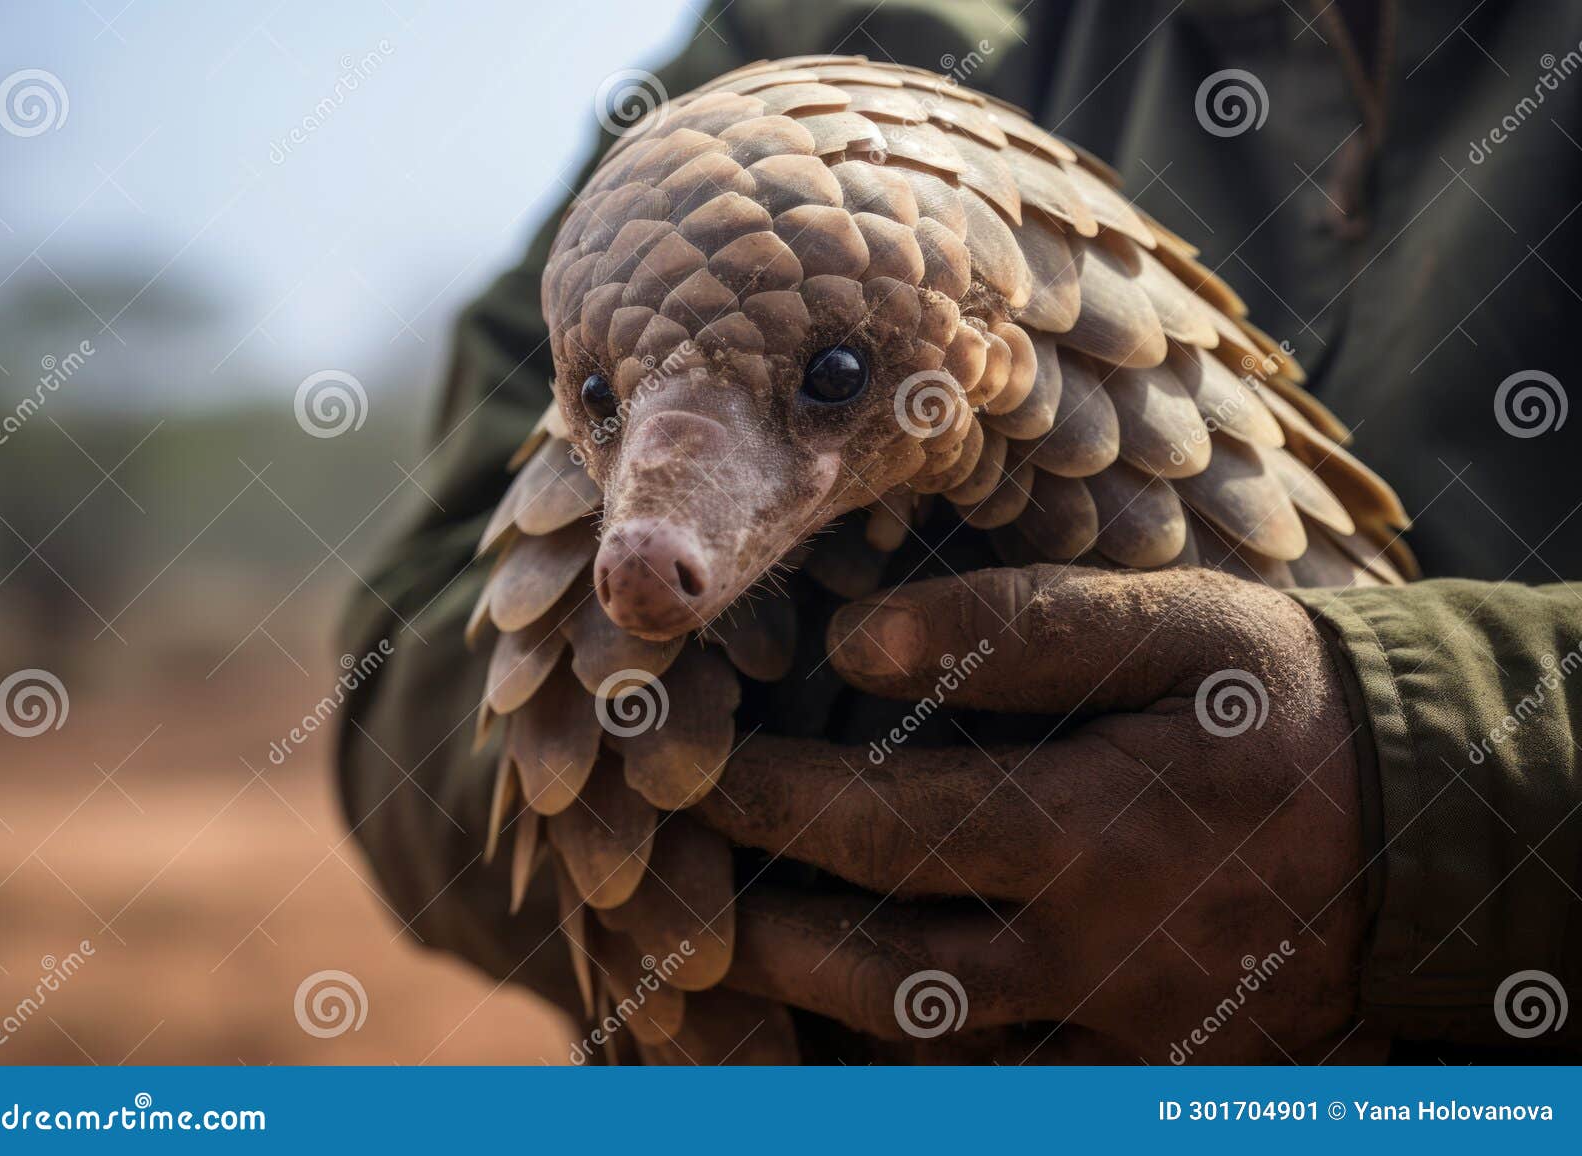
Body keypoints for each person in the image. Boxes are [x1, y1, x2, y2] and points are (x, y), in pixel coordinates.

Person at [336, 0, 1582, 1062]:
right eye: (603, 407)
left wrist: (1440, 803)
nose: (636, 569)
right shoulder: (832, 24)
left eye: (831, 378)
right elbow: (408, 660)